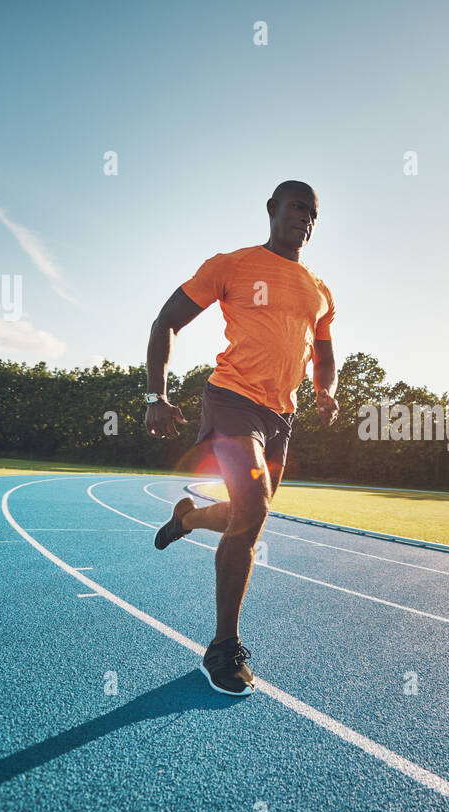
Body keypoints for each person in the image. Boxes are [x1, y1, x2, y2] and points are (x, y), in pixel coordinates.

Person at [143, 180, 339, 695]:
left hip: (283, 416)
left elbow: (324, 353)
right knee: (251, 510)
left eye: (314, 213)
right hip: (233, 400)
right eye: (298, 207)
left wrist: (325, 391)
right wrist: (155, 395)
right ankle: (223, 648)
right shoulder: (231, 265)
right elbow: (167, 320)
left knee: (248, 515)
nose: (306, 218)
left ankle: (189, 516)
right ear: (273, 209)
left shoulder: (320, 291)